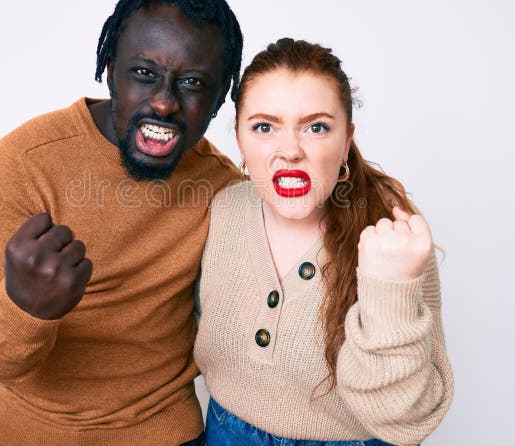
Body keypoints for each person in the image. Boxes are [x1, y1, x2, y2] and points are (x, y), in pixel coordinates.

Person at [0, 0, 243, 446]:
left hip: (167, 436)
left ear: (223, 93)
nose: (164, 101)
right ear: (110, 69)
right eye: (144, 73)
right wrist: (25, 309)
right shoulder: (25, 164)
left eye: (191, 82)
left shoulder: (226, 189)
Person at [194, 38, 454, 445]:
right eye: (264, 127)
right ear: (240, 139)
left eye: (316, 127)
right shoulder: (223, 210)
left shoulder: (390, 234)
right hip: (225, 432)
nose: (290, 151)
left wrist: (391, 289)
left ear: (346, 141)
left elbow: (406, 419)